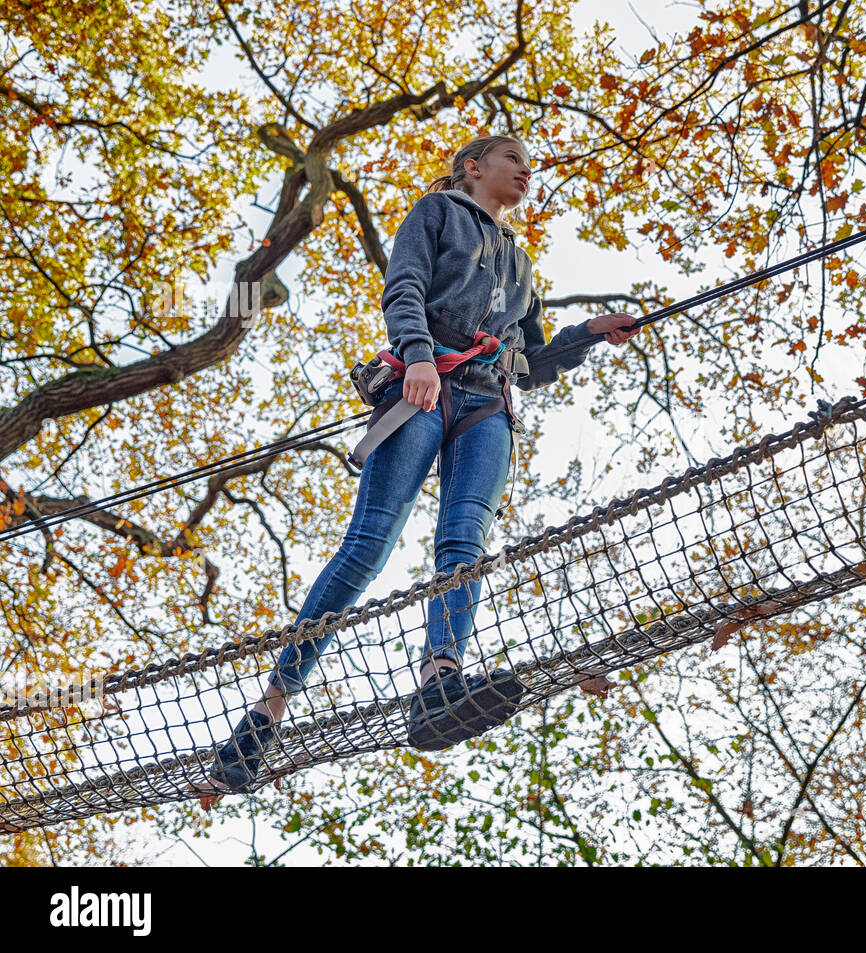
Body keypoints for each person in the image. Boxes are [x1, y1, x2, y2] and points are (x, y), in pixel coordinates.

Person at [196, 135, 637, 799]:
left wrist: (587, 334)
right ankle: (267, 713)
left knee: (465, 541)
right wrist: (421, 357)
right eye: (512, 158)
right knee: (367, 547)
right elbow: (403, 287)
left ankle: (440, 682)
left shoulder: (520, 266)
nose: (525, 172)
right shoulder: (435, 215)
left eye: (529, 166)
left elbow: (533, 363)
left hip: (487, 403)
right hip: (421, 387)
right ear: (473, 168)